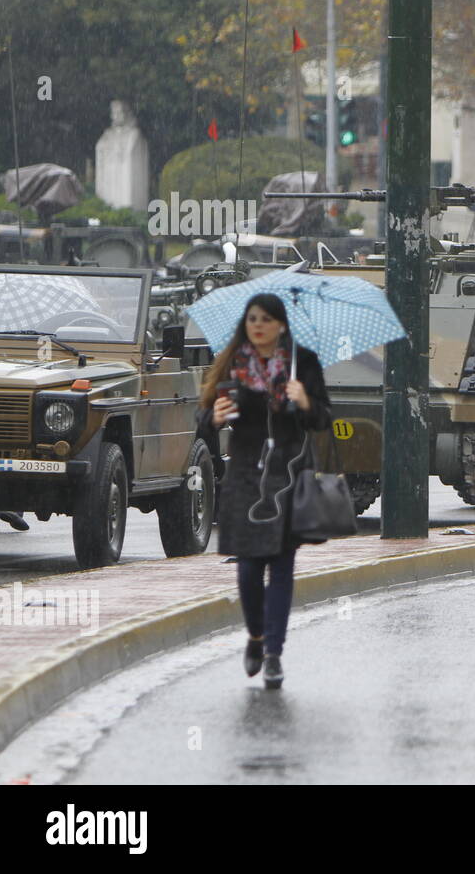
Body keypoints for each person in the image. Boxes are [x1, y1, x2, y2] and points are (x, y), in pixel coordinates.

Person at [197, 293, 332, 690]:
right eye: (253, 318)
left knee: (282, 564)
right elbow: (202, 418)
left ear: (281, 325)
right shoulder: (231, 362)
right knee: (248, 568)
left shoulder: (301, 362)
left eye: (267, 319)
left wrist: (305, 400)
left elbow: (323, 417)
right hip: (245, 475)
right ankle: (256, 635)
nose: (258, 325)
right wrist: (213, 418)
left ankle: (274, 653)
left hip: (288, 474)